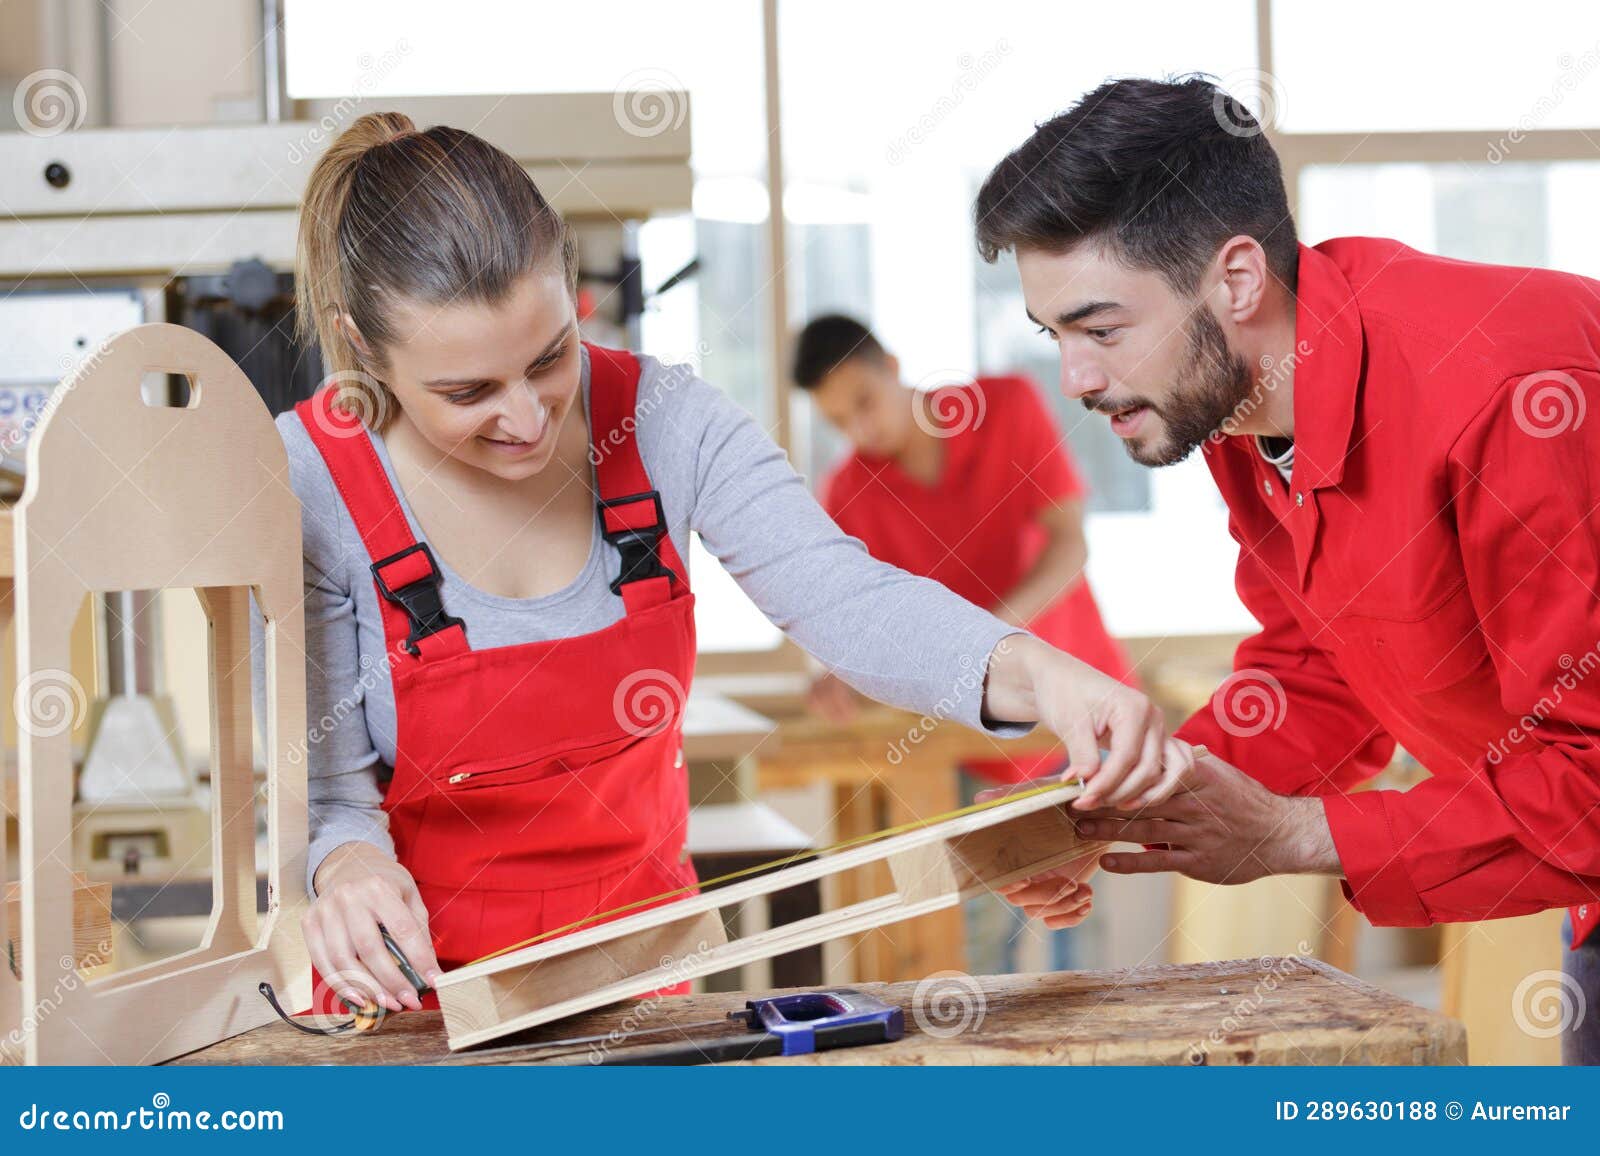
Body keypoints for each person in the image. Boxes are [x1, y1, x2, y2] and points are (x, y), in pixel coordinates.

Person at [259, 111, 1191, 1016]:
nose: (530, 419)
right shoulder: (305, 480)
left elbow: (848, 600)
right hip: (414, 1011)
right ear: (357, 344)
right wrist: (348, 867)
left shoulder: (665, 420)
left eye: (550, 358)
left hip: (640, 998)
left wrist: (1040, 674)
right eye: (467, 391)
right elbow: (331, 792)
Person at [974, 75, 1600, 1063]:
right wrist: (1127, 797)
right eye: (1056, 337)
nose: (1078, 380)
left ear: (1235, 279)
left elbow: (1592, 778)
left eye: (1101, 330)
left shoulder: (1508, 397)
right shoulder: (1238, 407)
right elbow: (1319, 663)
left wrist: (1296, 835)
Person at [792, 315, 1138, 967]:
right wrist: (841, 669)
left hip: (1074, 716)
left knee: (1073, 929)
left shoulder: (1006, 406)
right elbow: (859, 621)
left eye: (864, 403)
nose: (861, 431)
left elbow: (1070, 544)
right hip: (963, 740)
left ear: (892, 366)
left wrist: (993, 640)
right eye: (840, 422)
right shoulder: (846, 492)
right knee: (983, 940)